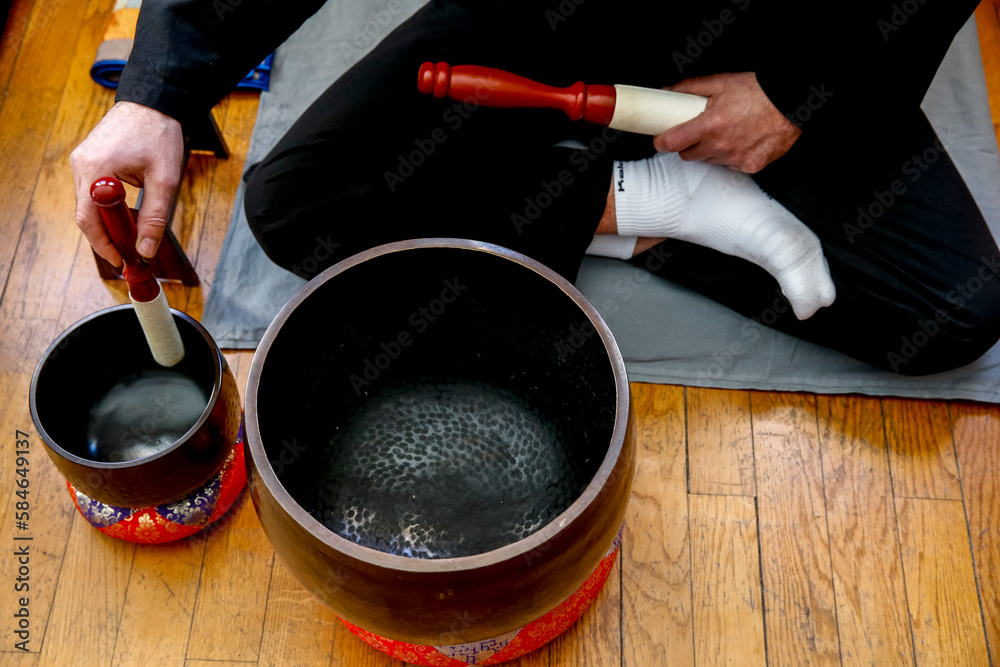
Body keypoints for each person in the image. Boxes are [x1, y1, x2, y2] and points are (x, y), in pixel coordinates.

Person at [71, 0, 1000, 374]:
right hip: (560, 17)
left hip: (791, 29)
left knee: (953, 309)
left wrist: (792, 98)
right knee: (298, 205)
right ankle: (652, 204)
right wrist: (158, 93)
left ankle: (611, 195)